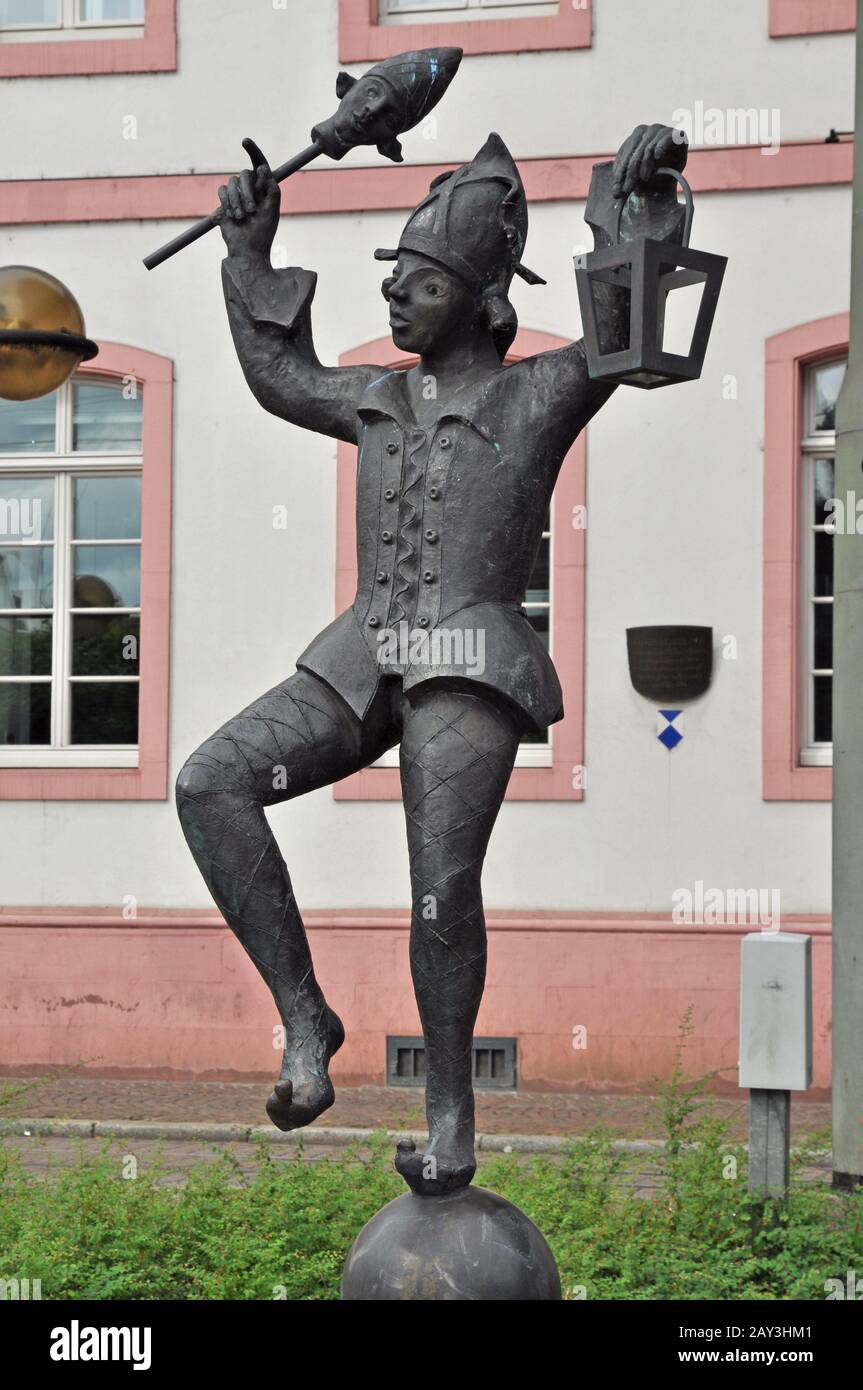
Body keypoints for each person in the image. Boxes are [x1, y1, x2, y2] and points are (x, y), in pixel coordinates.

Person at [176, 122, 688, 1195]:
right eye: (392, 280)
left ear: (477, 294)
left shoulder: (538, 391)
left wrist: (639, 207)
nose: (394, 299)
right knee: (212, 781)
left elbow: (630, 340)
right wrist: (247, 254)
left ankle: (450, 1119)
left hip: (468, 660)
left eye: (416, 281)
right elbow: (279, 373)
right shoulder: (373, 396)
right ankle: (306, 1017)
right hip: (364, 656)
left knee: (439, 888)